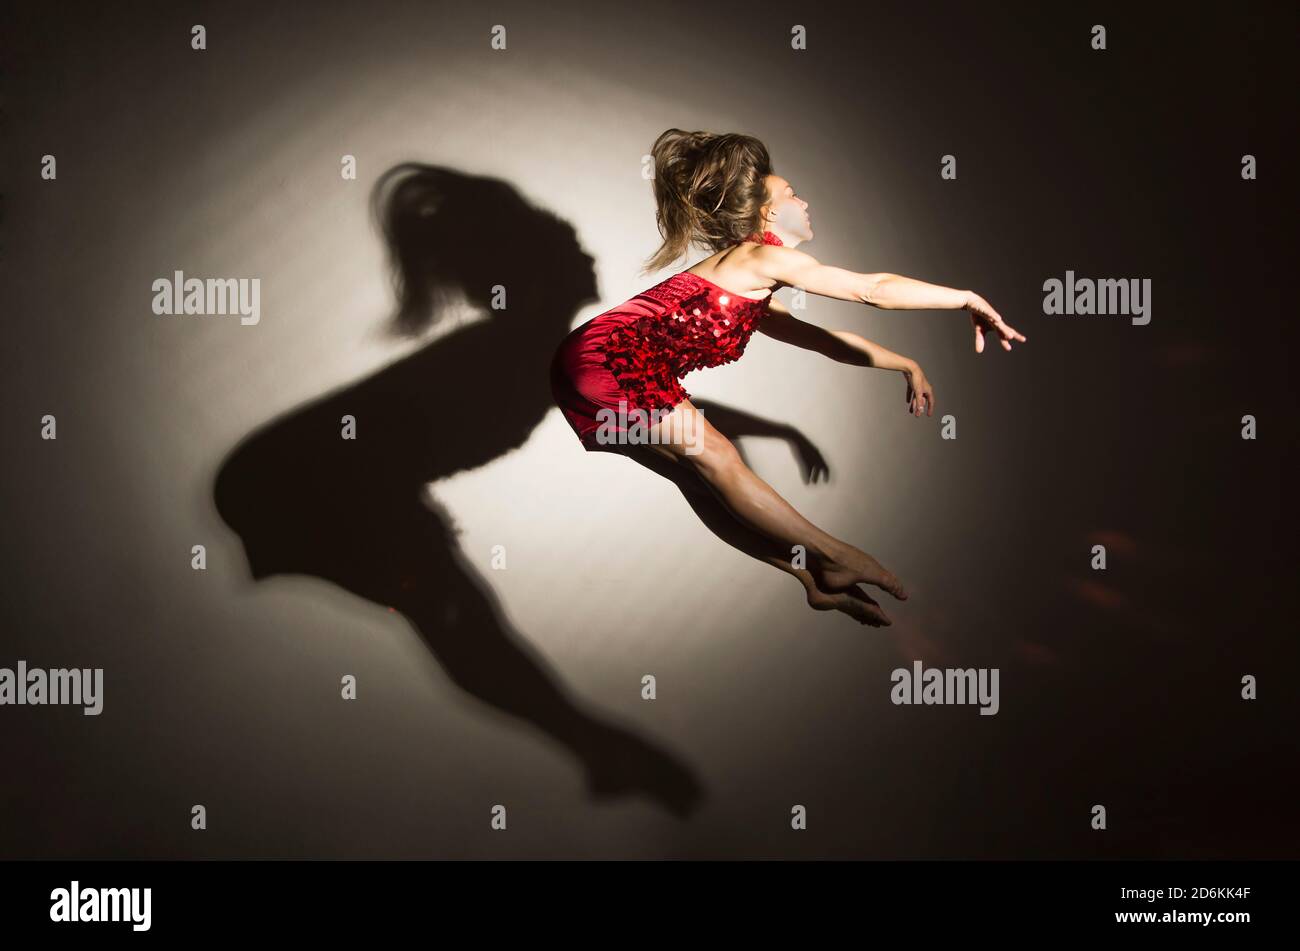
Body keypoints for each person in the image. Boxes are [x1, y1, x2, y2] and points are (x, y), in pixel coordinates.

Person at [549, 129, 1026, 626]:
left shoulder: (752, 281)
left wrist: (906, 364)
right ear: (769, 214)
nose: (805, 201)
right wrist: (965, 298)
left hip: (584, 366)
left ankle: (811, 577)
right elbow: (873, 289)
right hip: (608, 358)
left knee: (698, 479)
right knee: (718, 458)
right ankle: (835, 557)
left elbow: (825, 341)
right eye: (793, 194)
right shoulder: (761, 257)